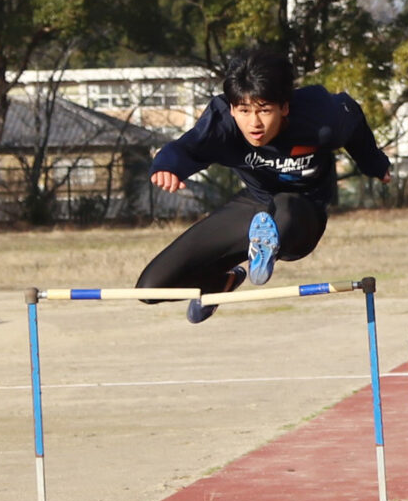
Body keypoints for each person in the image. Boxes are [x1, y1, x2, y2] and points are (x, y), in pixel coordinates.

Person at [136, 46, 390, 322]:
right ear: (232, 108)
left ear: (284, 107)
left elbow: (352, 118)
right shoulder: (223, 124)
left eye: (264, 111)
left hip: (303, 212)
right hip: (254, 203)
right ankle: (221, 281)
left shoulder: (319, 118)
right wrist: (167, 166)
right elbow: (189, 146)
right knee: (150, 287)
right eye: (244, 110)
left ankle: (271, 242)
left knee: (286, 205)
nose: (254, 123)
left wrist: (373, 163)